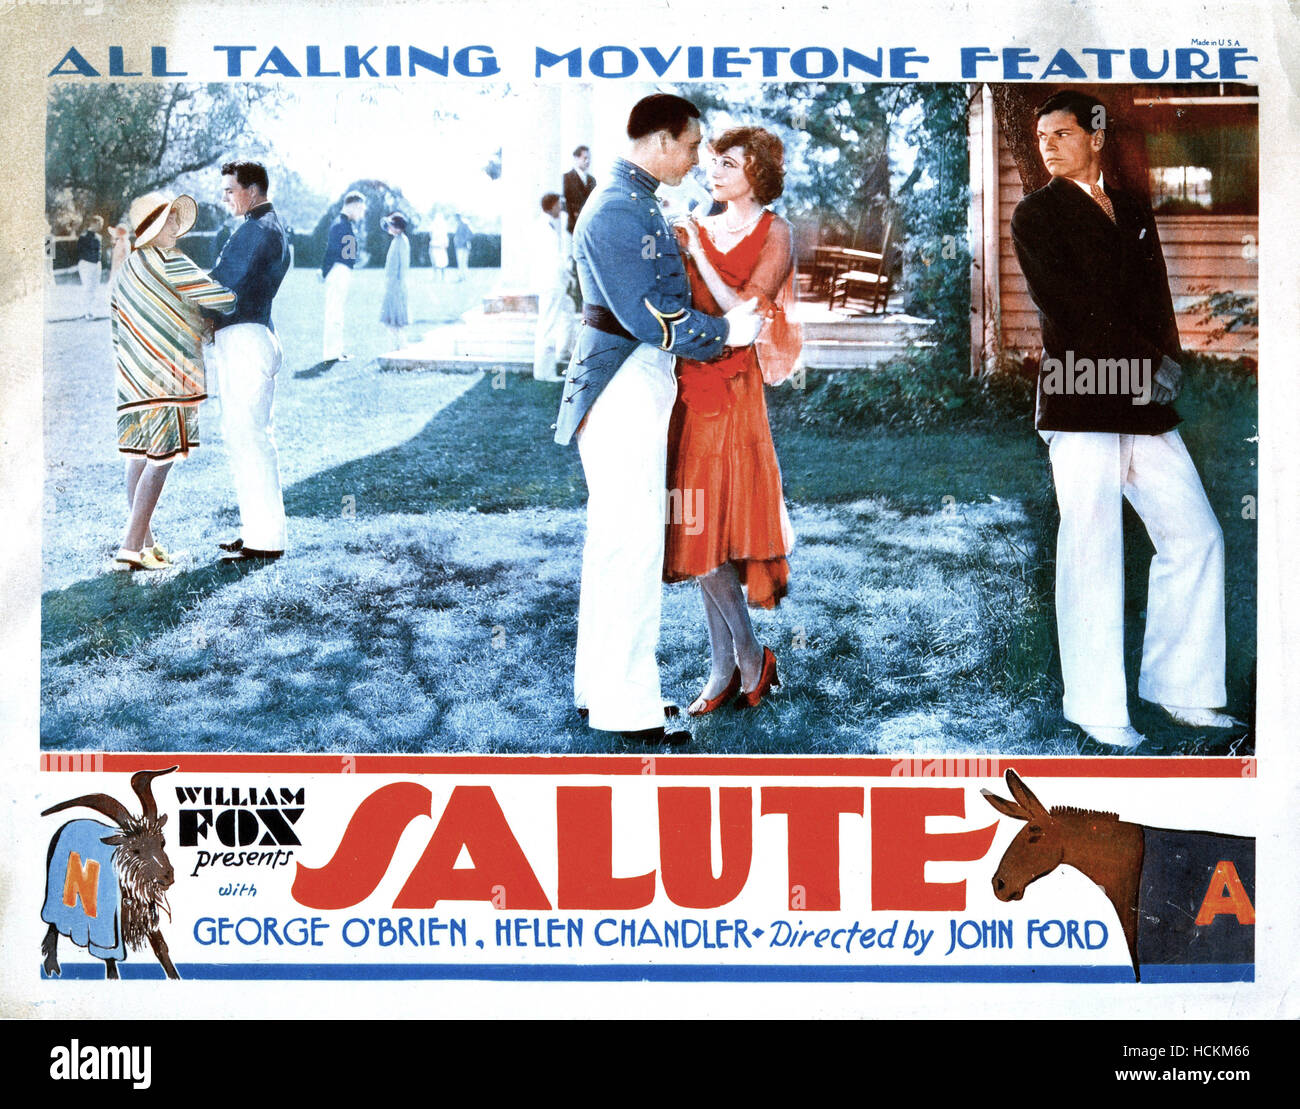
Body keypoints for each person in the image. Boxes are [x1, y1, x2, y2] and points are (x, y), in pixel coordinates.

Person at [1009, 90, 1238, 749]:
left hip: (1144, 401)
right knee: (1093, 545)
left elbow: (1156, 294)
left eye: (1061, 132)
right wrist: (1146, 362)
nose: (1047, 143)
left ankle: (1183, 690)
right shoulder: (1036, 216)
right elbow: (1071, 308)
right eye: (1041, 134)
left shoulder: (1133, 208)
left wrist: (1169, 359)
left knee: (1196, 534)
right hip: (1081, 398)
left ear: (1096, 135)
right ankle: (1098, 708)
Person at [554, 93, 763, 745]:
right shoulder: (620, 206)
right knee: (633, 544)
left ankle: (603, 691)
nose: (699, 156)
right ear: (662, 141)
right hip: (623, 382)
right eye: (694, 144)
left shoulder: (631, 197)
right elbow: (652, 317)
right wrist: (726, 330)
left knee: (616, 543)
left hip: (626, 377)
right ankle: (628, 707)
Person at [665, 126, 802, 715]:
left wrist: (697, 249)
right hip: (687, 385)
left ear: (758, 174)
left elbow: (743, 313)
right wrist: (686, 241)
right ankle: (734, 661)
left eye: (729, 163)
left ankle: (743, 657)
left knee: (713, 527)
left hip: (736, 389)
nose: (714, 171)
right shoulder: (696, 220)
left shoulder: (778, 232)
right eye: (713, 161)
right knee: (697, 530)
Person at [110, 192, 235, 570]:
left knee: (139, 458)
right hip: (170, 378)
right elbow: (223, 298)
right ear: (150, 229)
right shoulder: (172, 262)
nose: (175, 228)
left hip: (134, 379)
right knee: (161, 460)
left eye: (175, 221)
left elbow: (116, 320)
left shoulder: (129, 267)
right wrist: (205, 316)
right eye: (167, 221)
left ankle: (147, 546)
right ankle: (131, 549)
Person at [207, 159, 292, 563]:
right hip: (251, 334)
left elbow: (224, 289)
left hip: (246, 337)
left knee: (250, 439)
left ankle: (265, 539)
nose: (226, 198)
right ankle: (257, 532)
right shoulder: (266, 226)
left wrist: (199, 316)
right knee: (246, 439)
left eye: (230, 190)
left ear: (253, 190)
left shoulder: (258, 230)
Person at [531, 192, 572, 382]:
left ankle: (563, 351)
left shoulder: (549, 225)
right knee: (548, 324)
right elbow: (553, 260)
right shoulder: (544, 228)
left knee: (569, 309)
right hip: (551, 283)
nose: (561, 208)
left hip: (555, 282)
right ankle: (544, 372)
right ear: (551, 206)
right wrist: (566, 276)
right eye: (559, 205)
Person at [321, 191, 366, 361]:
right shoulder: (340, 224)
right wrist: (324, 272)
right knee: (334, 312)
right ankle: (331, 353)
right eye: (360, 208)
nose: (362, 213)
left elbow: (348, 252)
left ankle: (336, 351)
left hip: (343, 270)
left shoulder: (345, 224)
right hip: (338, 270)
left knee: (337, 312)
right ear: (353, 205)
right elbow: (331, 251)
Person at [379, 211, 410, 348]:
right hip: (392, 284)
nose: (389, 228)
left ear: (398, 227)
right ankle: (394, 346)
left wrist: (398, 285)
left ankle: (400, 347)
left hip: (397, 285)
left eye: (392, 225)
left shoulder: (401, 242)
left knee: (396, 321)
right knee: (391, 320)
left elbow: (403, 266)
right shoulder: (396, 241)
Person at [562, 145, 595, 235]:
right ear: (576, 158)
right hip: (572, 227)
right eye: (585, 158)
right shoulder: (566, 178)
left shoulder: (591, 180)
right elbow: (565, 203)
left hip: (588, 227)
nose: (587, 161)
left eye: (589, 158)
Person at [76, 216, 103, 318]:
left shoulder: (99, 237)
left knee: (94, 288)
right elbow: (79, 252)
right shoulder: (83, 236)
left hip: (97, 264)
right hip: (86, 264)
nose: (101, 226)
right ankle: (85, 311)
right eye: (99, 224)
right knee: (87, 287)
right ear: (93, 223)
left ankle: (91, 310)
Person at [452, 214, 472, 281]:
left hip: (463, 246)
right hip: (460, 246)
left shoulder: (464, 224)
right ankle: (461, 277)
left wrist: (463, 241)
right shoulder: (458, 225)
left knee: (463, 262)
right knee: (461, 262)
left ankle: (463, 277)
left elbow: (470, 234)